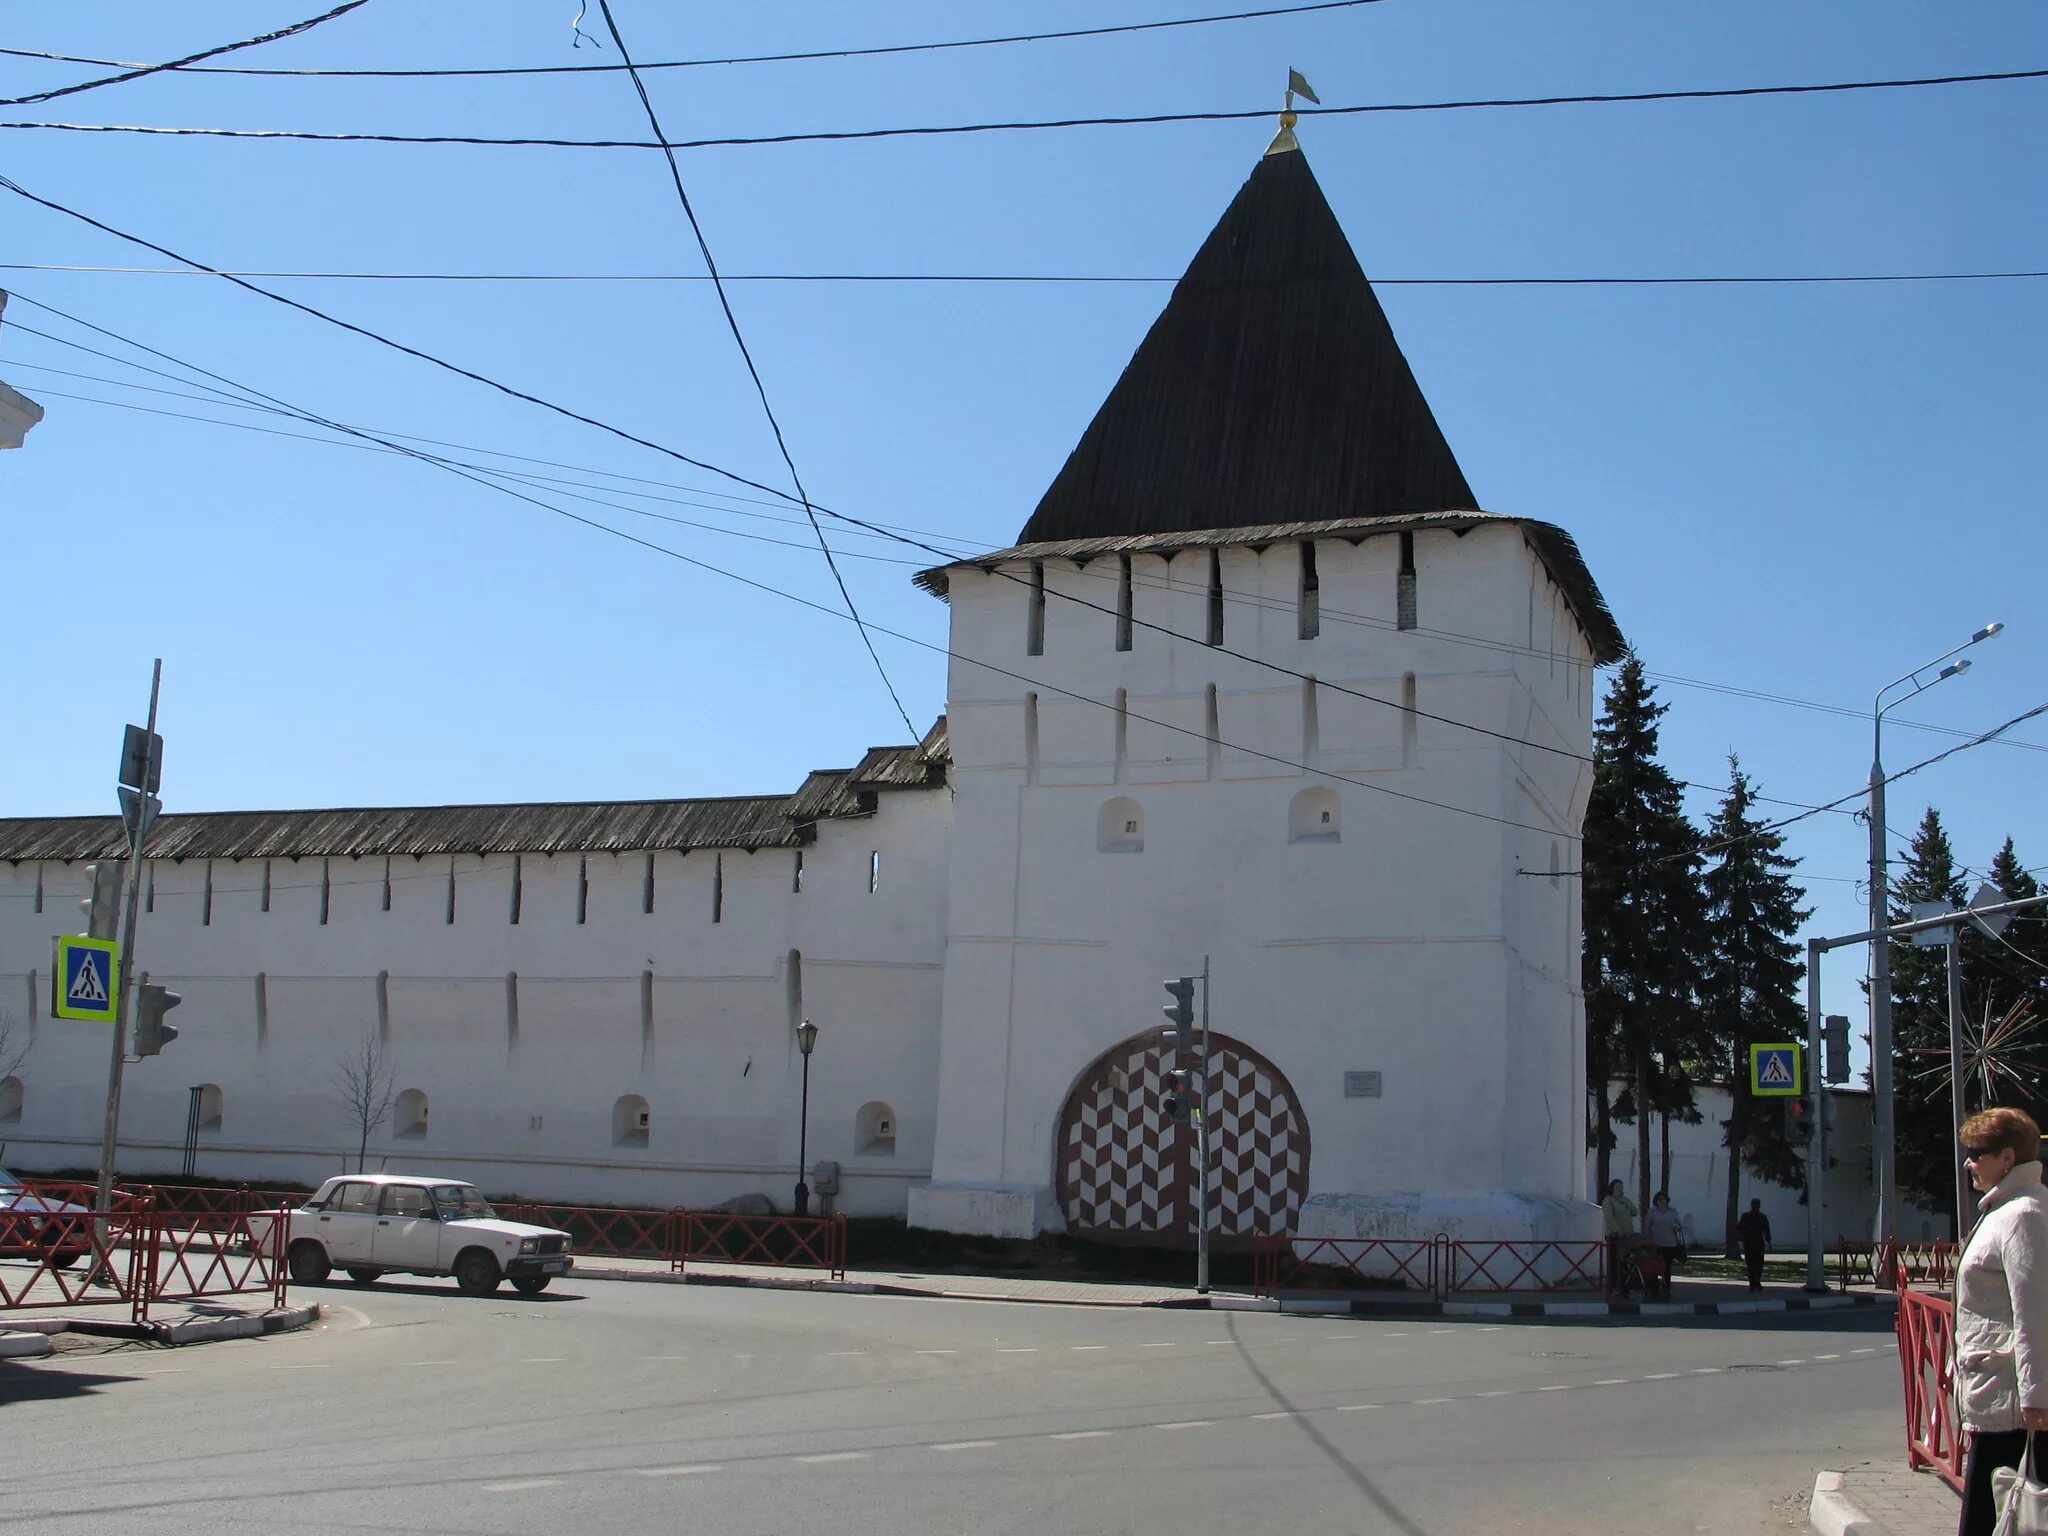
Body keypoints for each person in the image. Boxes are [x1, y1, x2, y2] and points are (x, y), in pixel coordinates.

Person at [1954, 1106, 2048, 1536]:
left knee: (2000, 1515)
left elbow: (2034, 1311)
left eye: (1977, 1152)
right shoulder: (2004, 1210)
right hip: (1995, 1390)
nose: (1969, 1161)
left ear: (2007, 1157)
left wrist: (2035, 1397)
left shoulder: (2022, 1216)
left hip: (2012, 1403)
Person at [1646, 1192, 1686, 1299]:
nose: (1662, 1201)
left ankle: (1666, 1288)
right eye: (1660, 1199)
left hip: (1670, 1244)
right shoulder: (1652, 1212)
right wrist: (1646, 1241)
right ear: (1656, 1201)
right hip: (1656, 1243)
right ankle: (1653, 1289)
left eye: (1664, 1199)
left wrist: (1675, 1226)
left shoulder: (1672, 1212)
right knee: (1654, 1266)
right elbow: (1647, 1227)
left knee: (1667, 1267)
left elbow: (1679, 1226)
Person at [1600, 1179, 1637, 1297]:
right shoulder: (1608, 1200)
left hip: (1628, 1236)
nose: (1620, 1190)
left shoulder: (1625, 1200)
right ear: (1612, 1188)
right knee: (1614, 1263)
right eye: (1617, 1187)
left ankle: (1625, 1287)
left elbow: (1634, 1212)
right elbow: (1609, 1217)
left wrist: (1627, 1203)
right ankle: (1612, 1288)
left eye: (1621, 1187)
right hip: (1615, 1237)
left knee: (1627, 1262)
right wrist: (1617, 1230)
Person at [1735, 1199, 1773, 1292]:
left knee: (1751, 1263)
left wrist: (1742, 1236)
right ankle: (1756, 1281)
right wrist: (1769, 1243)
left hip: (1749, 1242)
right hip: (1757, 1242)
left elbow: (1738, 1228)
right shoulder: (1762, 1217)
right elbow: (1767, 1231)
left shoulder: (1746, 1216)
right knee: (1758, 1263)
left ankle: (1753, 1283)